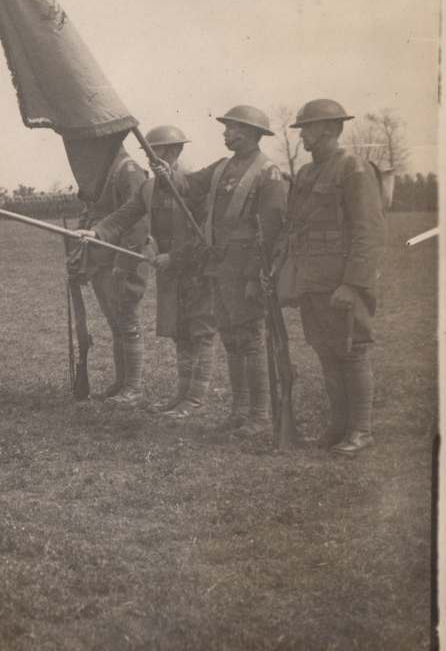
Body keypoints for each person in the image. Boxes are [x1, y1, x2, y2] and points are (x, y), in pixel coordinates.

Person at [168, 106, 288, 437]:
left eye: (232, 129)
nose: (225, 133)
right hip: (218, 267)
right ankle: (239, 412)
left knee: (250, 340)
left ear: (251, 133)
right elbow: (187, 186)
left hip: (247, 269)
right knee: (232, 340)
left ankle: (260, 415)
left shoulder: (268, 173)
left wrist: (254, 276)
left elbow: (272, 231)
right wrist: (166, 171)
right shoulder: (222, 168)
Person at [85, 125, 215, 417]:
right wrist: (96, 232)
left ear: (175, 151)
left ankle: (195, 399)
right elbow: (124, 216)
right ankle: (181, 396)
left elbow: (206, 234)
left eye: (155, 152)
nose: (149, 158)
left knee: (201, 333)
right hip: (170, 272)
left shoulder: (195, 186)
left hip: (197, 269)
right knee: (180, 333)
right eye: (147, 152)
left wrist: (175, 257)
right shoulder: (149, 187)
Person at [285, 99, 385, 455]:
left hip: (343, 281)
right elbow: (294, 228)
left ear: (329, 128)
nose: (303, 135)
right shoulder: (306, 174)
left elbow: (367, 231)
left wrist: (352, 284)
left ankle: (361, 430)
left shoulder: (354, 169)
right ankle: (338, 426)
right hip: (312, 280)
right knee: (326, 351)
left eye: (308, 128)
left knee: (352, 350)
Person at [71, 146, 150, 406]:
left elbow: (137, 219)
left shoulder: (128, 170)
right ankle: (122, 382)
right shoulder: (104, 171)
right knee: (116, 324)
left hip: (122, 259)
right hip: (101, 259)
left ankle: (134, 386)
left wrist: (124, 264)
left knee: (128, 323)